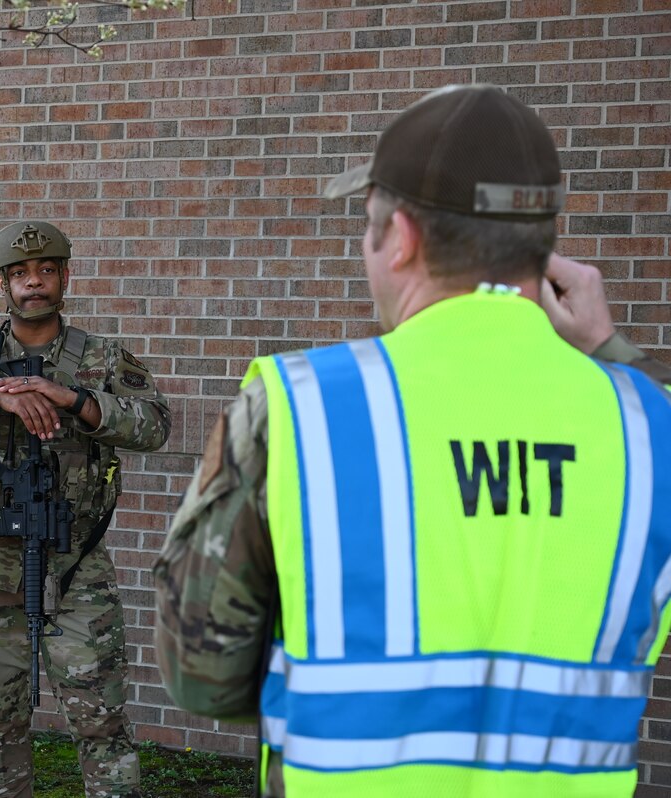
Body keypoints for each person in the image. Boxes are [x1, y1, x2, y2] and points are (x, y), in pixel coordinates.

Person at [153, 84, 671, 798]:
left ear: (401, 238)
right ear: (545, 246)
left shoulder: (296, 409)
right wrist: (611, 348)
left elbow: (201, 679)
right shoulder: (650, 429)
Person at [0, 221, 171, 798]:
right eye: (20, 274)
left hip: (77, 567)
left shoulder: (99, 358)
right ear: (1, 282)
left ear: (65, 276)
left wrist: (73, 399)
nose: (34, 284)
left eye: (46, 271)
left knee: (101, 720)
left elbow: (155, 426)